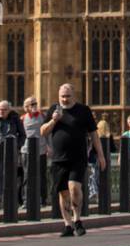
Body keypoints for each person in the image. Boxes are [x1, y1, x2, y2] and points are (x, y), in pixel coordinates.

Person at [41, 84, 105, 236]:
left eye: (67, 96)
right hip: (59, 158)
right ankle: (67, 225)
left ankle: (77, 219)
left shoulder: (83, 110)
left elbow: (94, 134)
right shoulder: (54, 110)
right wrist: (54, 120)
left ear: (73, 95)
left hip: (78, 157)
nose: (65, 99)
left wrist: (101, 155)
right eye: (62, 96)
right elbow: (43, 131)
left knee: (74, 188)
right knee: (63, 193)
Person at [0, 100, 24, 209]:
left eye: (4, 110)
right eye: (0, 110)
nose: (1, 112)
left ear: (9, 110)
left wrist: (17, 146)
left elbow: (22, 135)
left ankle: (9, 200)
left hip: (11, 151)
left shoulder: (15, 119)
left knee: (11, 175)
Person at [21, 96, 47, 208]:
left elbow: (48, 131)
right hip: (26, 150)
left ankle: (42, 200)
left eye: (35, 103)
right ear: (25, 107)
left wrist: (49, 147)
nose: (34, 106)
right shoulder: (22, 119)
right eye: (31, 104)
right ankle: (26, 201)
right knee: (27, 176)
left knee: (41, 176)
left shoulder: (42, 116)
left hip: (41, 150)